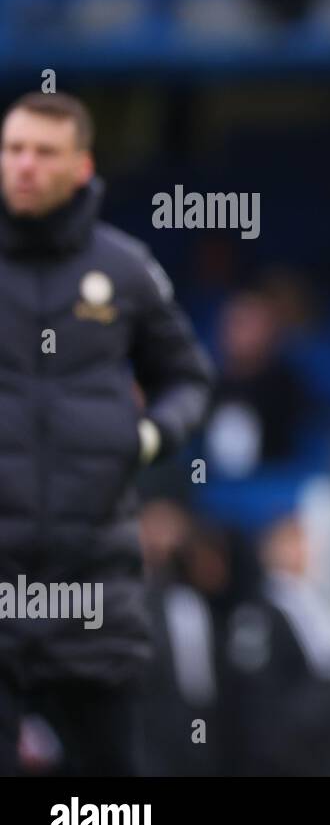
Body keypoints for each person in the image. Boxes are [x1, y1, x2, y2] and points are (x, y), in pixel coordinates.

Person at [0, 92, 214, 775]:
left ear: (81, 165)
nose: (25, 166)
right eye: (13, 150)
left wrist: (150, 438)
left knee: (110, 805)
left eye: (44, 152)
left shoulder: (124, 270)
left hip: (94, 585)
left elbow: (189, 379)